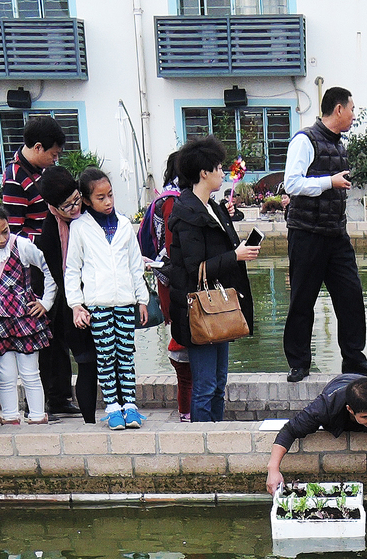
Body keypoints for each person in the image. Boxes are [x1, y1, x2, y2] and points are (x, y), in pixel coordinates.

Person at [281, 87, 367, 383]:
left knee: (351, 295)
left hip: (336, 233)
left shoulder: (338, 144)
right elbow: (292, 184)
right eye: (351, 109)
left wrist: (332, 183)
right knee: (302, 299)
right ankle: (299, 362)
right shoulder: (304, 140)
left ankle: (354, 359)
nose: (353, 115)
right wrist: (329, 182)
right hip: (307, 234)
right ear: (338, 109)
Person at [168, 136, 258, 423]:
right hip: (200, 309)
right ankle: (203, 441)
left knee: (219, 384)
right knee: (205, 386)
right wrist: (236, 256)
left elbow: (222, 246)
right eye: (218, 167)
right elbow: (194, 269)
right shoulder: (187, 213)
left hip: (221, 304)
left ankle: (216, 437)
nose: (223, 172)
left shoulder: (213, 207)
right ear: (203, 173)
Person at [66, 167, 149, 431]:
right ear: (87, 200)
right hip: (98, 304)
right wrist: (76, 304)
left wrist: (142, 298)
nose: (108, 201)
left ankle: (130, 407)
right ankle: (112, 407)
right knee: (105, 356)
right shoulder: (79, 228)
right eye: (100, 197)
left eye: (110, 195)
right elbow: (72, 269)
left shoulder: (125, 225)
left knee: (126, 355)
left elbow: (136, 265)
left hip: (125, 301)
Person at [268, 374, 367, 507]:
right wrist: (273, 469)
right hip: (338, 386)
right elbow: (289, 430)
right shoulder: (325, 405)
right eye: (366, 417)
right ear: (350, 409)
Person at [0, 203, 51, 426]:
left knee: (30, 371)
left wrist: (46, 302)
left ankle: (36, 416)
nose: (2, 238)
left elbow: (48, 268)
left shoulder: (21, 245)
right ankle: (10, 415)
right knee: (5, 374)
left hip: (24, 315)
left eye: (5, 231)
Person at [32, 166, 97, 422]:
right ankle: (78, 412)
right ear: (53, 207)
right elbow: (60, 275)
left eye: (76, 200)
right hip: (71, 298)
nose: (74, 208)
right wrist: (77, 303)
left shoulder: (90, 213)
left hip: (99, 293)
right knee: (83, 360)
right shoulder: (50, 233)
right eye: (67, 206)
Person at [138, 150, 195, 424]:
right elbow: (174, 250)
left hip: (169, 281)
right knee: (183, 343)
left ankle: (189, 408)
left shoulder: (168, 198)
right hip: (175, 284)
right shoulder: (173, 202)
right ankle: (187, 412)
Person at [0, 114, 66, 243]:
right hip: (38, 254)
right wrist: (46, 243)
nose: (56, 159)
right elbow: (14, 232)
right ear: (38, 147)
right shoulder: (14, 178)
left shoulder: (43, 168)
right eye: (54, 154)